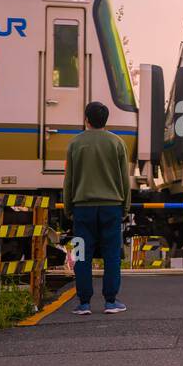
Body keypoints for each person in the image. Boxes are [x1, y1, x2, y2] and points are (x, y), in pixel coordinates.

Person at [63, 101, 131, 315]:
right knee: (111, 255)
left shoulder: (75, 144)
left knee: (82, 254)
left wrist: (68, 208)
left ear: (86, 119)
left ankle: (84, 303)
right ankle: (111, 302)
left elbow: (69, 180)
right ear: (106, 120)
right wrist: (125, 208)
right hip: (112, 208)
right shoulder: (117, 143)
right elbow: (125, 180)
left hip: (82, 209)